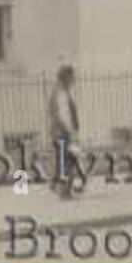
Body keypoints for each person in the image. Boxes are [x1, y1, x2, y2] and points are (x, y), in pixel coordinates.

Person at [47, 65, 81, 199]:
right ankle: (64, 191)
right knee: (68, 160)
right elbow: (63, 114)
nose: (74, 79)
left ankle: (56, 183)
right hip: (64, 132)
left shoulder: (58, 91)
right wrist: (71, 132)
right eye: (72, 76)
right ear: (66, 77)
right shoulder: (62, 93)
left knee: (65, 160)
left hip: (58, 131)